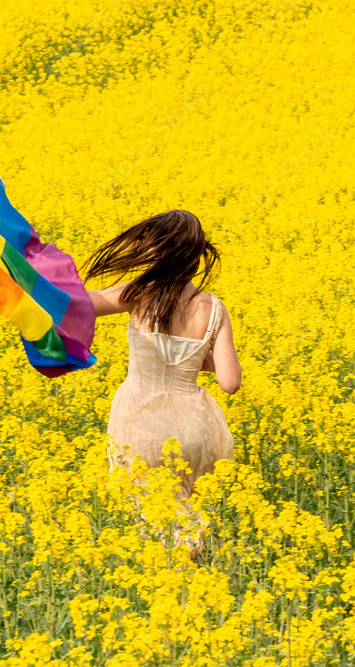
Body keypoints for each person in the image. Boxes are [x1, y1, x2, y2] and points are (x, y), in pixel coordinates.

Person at [83, 209, 241, 550]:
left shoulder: (140, 293)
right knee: (192, 517)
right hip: (196, 428)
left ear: (158, 253)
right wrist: (193, 358)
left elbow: (79, 305)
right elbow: (230, 382)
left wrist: (30, 280)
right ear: (196, 256)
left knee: (150, 523)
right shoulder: (213, 308)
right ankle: (199, 584)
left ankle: (168, 586)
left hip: (141, 420)